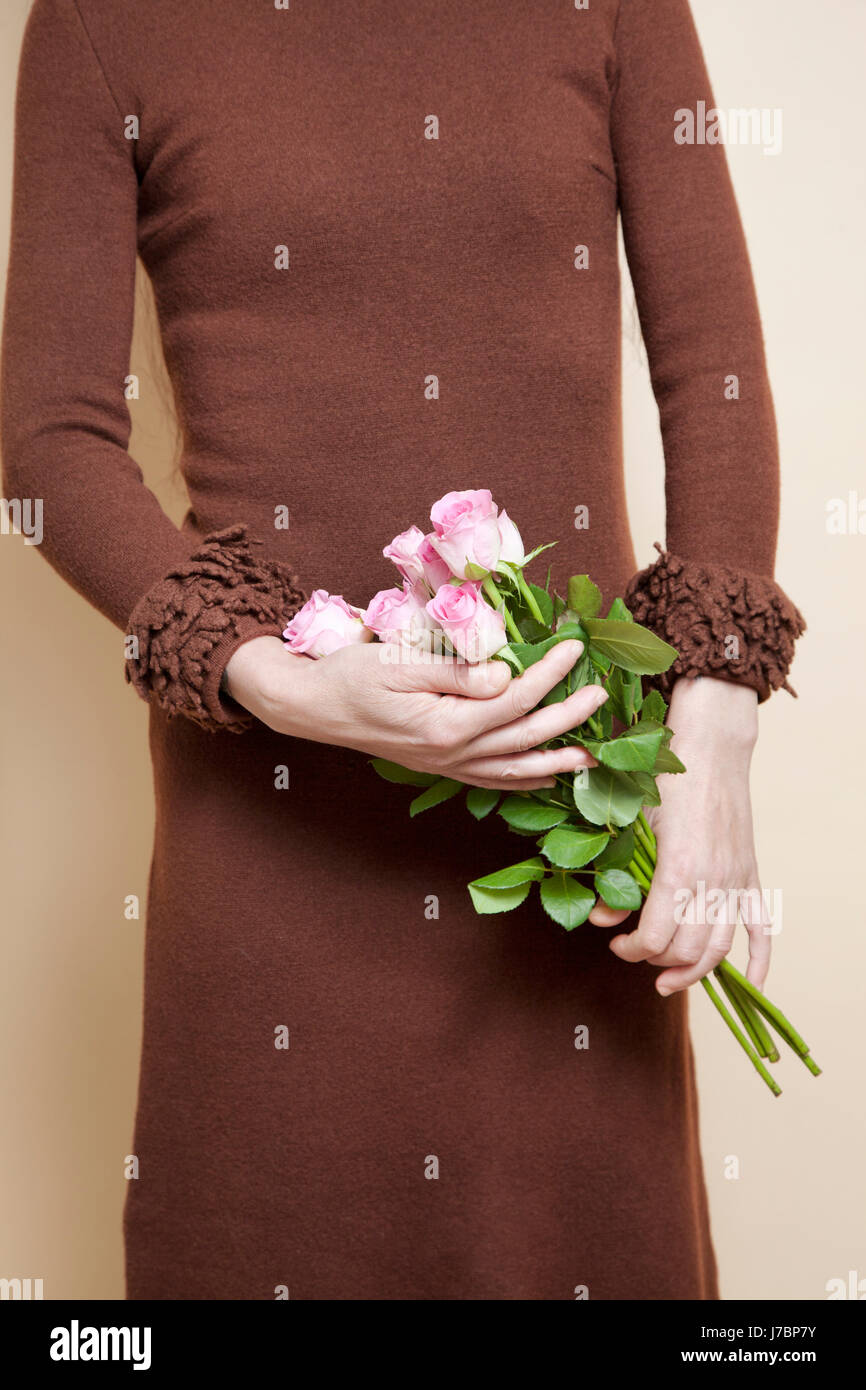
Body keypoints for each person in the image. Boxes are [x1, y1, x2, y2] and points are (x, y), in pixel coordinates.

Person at [1, 0, 804, 1299]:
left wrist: (713, 730)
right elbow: (51, 436)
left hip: (571, 853)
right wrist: (274, 672)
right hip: (269, 857)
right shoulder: (101, 20)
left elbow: (708, 366)